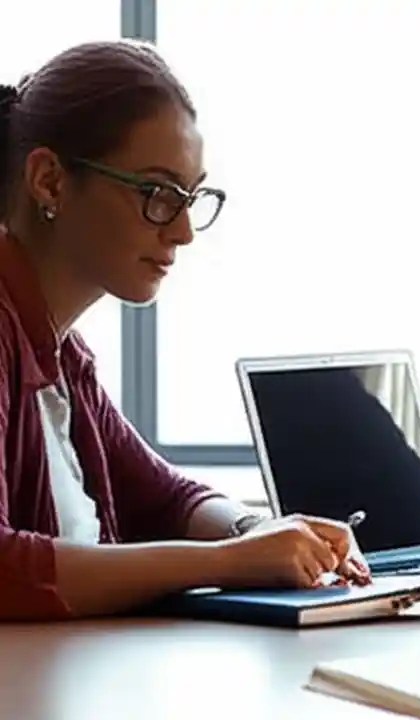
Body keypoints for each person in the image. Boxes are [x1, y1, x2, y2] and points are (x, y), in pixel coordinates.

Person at [0, 39, 370, 622]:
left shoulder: (60, 351)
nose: (182, 232)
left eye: (190, 198)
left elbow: (167, 499)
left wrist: (263, 529)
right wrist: (229, 561)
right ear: (49, 181)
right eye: (156, 194)